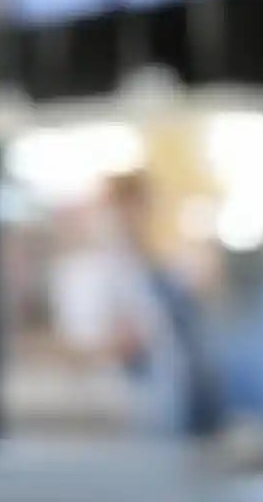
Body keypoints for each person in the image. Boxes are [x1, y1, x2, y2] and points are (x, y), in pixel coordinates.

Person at [51, 173, 222, 437]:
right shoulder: (86, 271)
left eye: (142, 207)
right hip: (121, 411)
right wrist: (121, 342)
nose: (137, 217)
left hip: (168, 404)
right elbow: (81, 347)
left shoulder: (146, 267)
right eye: (125, 207)